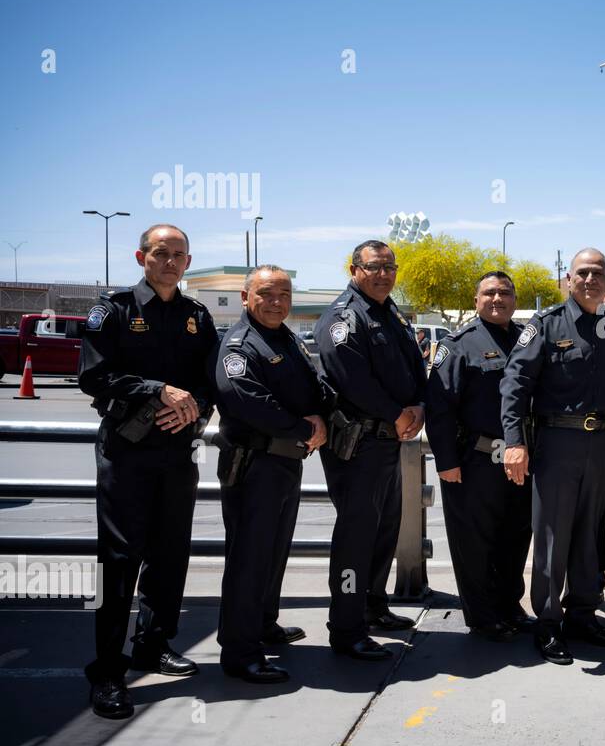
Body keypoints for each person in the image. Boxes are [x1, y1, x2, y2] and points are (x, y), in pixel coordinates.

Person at [78, 224, 218, 719]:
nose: (171, 262)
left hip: (178, 453)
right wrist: (157, 390)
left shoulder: (197, 316)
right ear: (142, 257)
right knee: (119, 559)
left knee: (170, 552)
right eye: (161, 253)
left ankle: (153, 644)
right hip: (127, 452)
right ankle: (109, 672)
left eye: (179, 254)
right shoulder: (113, 311)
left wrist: (194, 408)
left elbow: (210, 381)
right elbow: (92, 376)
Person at [501, 248, 605, 665]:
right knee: (553, 537)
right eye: (583, 273)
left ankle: (582, 614)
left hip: (601, 445)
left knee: (590, 534)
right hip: (556, 444)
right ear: (568, 279)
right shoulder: (544, 324)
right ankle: (548, 622)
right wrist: (514, 442)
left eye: (599, 273)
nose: (591, 279)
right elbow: (515, 384)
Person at [213, 265, 331, 683]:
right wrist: (305, 428)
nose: (277, 301)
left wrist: (320, 415)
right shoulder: (240, 345)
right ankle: (240, 651)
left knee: (274, 551)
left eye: (284, 293)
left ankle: (263, 623)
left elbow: (310, 387)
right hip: (254, 464)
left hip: (285, 461)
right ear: (246, 298)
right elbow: (247, 400)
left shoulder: (286, 339)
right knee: (250, 557)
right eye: (266, 293)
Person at [315, 240, 426, 661]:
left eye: (390, 267)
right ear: (354, 269)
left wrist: (418, 404)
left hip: (388, 440)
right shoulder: (344, 316)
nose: (384, 275)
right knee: (355, 538)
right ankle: (346, 627)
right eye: (374, 267)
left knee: (385, 530)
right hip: (359, 443)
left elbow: (415, 364)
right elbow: (350, 378)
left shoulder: (388, 311)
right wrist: (397, 412)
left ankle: (373, 606)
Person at [425, 271, 534, 642]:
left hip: (521, 461)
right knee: (475, 543)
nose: (497, 299)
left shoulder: (526, 340)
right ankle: (483, 616)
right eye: (489, 293)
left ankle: (509, 606)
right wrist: (446, 462)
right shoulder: (458, 345)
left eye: (505, 292)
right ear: (476, 300)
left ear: (515, 299)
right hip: (475, 462)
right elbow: (439, 408)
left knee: (516, 538)